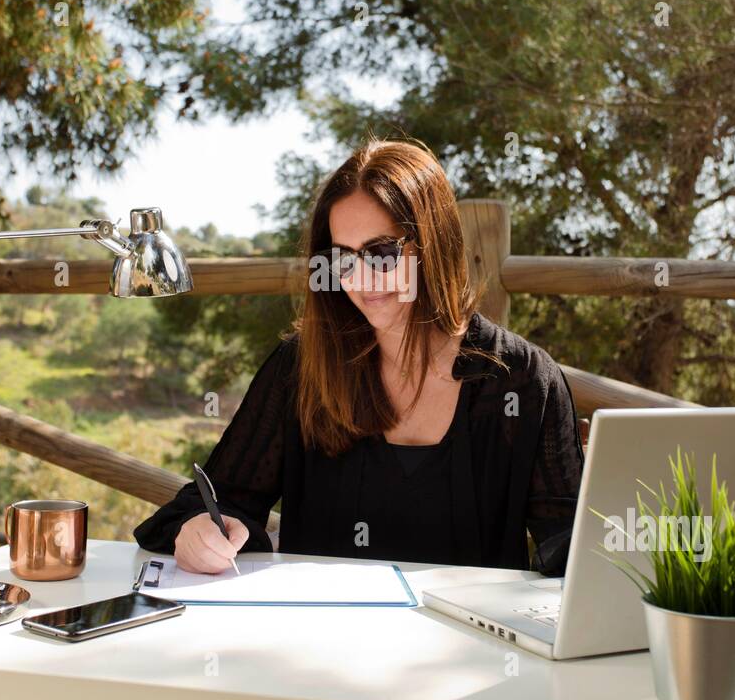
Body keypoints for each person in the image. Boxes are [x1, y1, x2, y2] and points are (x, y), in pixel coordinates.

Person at [134, 138, 585, 576]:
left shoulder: (522, 380)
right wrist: (197, 531)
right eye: (342, 258)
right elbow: (211, 503)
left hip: (473, 646)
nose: (361, 278)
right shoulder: (301, 368)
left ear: (435, 245)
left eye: (382, 253)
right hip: (319, 641)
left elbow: (570, 546)